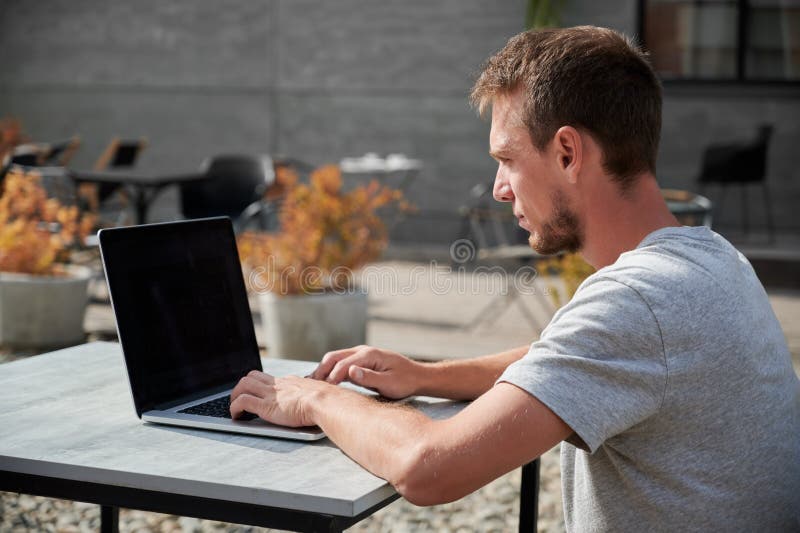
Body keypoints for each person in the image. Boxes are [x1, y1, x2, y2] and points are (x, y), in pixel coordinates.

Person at [230, 26, 800, 530]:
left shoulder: (637, 302)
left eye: (507, 158)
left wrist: (316, 400)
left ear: (569, 154)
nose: (501, 188)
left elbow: (428, 469)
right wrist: (428, 376)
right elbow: (567, 355)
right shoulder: (711, 259)